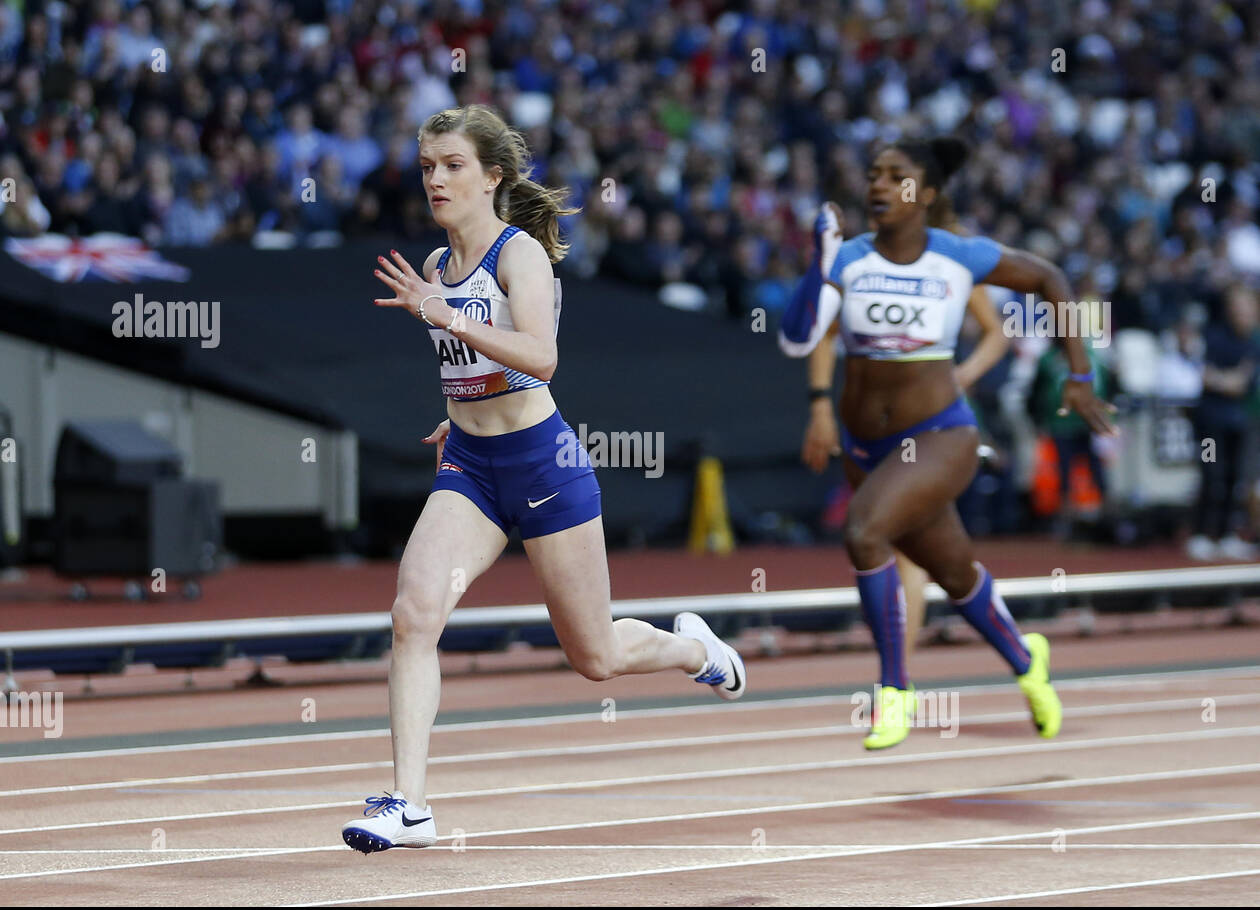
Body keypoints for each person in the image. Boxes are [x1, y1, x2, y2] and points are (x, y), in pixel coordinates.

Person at [341, 105, 745, 853]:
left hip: (542, 463)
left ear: (491, 176)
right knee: (412, 614)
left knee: (595, 657)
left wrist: (446, 318)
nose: (437, 179)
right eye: (428, 166)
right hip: (469, 467)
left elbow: (541, 356)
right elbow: (470, 366)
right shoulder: (436, 267)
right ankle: (409, 804)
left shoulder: (517, 254)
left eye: (453, 165)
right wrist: (455, 408)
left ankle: (698, 651)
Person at [779, 137, 1117, 749]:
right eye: (873, 174)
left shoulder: (959, 255)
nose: (878, 185)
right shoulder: (849, 256)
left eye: (896, 177)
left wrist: (1081, 374)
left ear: (926, 194)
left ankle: (893, 690)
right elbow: (799, 337)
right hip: (863, 445)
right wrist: (817, 264)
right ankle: (1026, 658)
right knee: (954, 573)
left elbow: (1051, 278)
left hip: (941, 435)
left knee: (864, 531)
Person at [1186, 285, 1260, 561]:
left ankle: (1227, 534)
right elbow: (1206, 376)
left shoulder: (1252, 344)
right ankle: (1202, 534)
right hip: (1210, 425)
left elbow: (1241, 384)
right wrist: (1226, 381)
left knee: (1234, 478)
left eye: (1248, 307)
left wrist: (1224, 380)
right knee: (1211, 476)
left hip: (1237, 424)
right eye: (1238, 307)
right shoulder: (1214, 338)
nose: (1243, 313)